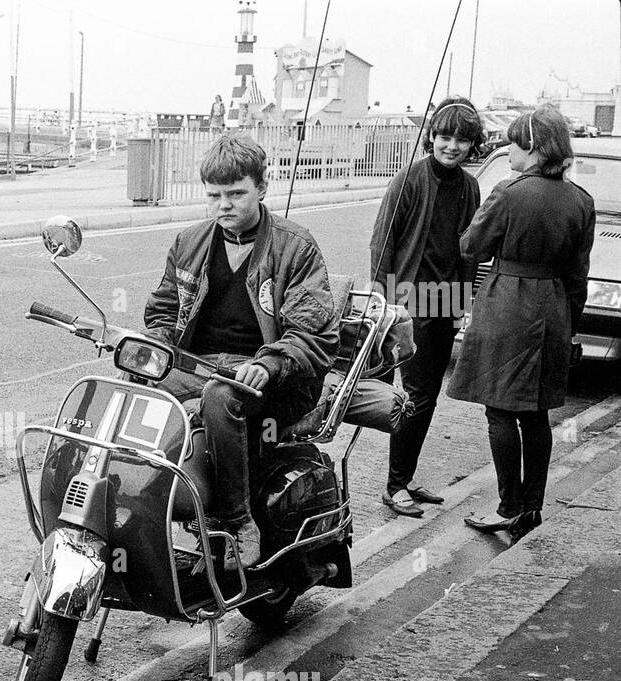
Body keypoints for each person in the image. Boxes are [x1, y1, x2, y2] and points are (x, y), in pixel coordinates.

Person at [143, 134, 339, 569]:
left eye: (236, 193)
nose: (223, 205)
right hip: (200, 364)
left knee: (219, 398)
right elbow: (163, 310)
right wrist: (154, 346)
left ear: (262, 188)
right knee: (133, 379)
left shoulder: (295, 246)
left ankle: (237, 521)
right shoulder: (189, 242)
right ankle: (141, 502)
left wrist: (267, 364)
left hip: (277, 376)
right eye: (214, 196)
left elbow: (312, 333)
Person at [447, 106, 594, 538]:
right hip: (553, 307)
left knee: (500, 410)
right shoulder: (581, 200)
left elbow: (472, 246)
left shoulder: (509, 192)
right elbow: (578, 276)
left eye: (513, 143)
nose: (508, 150)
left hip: (508, 303)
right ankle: (532, 508)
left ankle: (509, 505)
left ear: (531, 147)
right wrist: (568, 326)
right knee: (536, 414)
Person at [369, 96, 483, 518]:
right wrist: (381, 301)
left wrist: (463, 301)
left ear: (473, 145)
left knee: (430, 396)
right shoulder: (408, 180)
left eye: (462, 140)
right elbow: (382, 241)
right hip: (407, 298)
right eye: (445, 137)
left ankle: (406, 476)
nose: (452, 146)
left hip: (446, 296)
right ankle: (394, 485)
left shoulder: (470, 186)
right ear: (432, 137)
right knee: (415, 394)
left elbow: (469, 251)